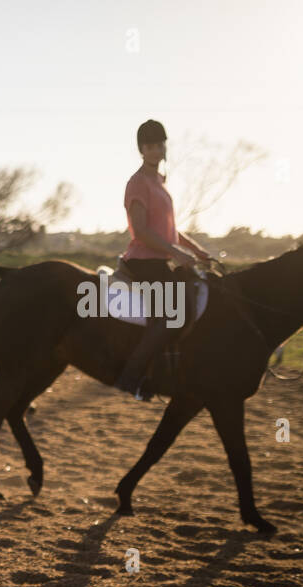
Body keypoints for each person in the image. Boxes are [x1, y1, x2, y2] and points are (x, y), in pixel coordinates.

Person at [113, 119, 213, 397]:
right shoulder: (137, 183)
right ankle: (131, 378)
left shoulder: (160, 182)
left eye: (159, 144)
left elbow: (170, 230)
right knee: (170, 316)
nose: (155, 150)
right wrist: (176, 252)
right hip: (143, 260)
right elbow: (141, 231)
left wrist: (196, 250)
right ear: (141, 150)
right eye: (149, 146)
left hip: (160, 259)